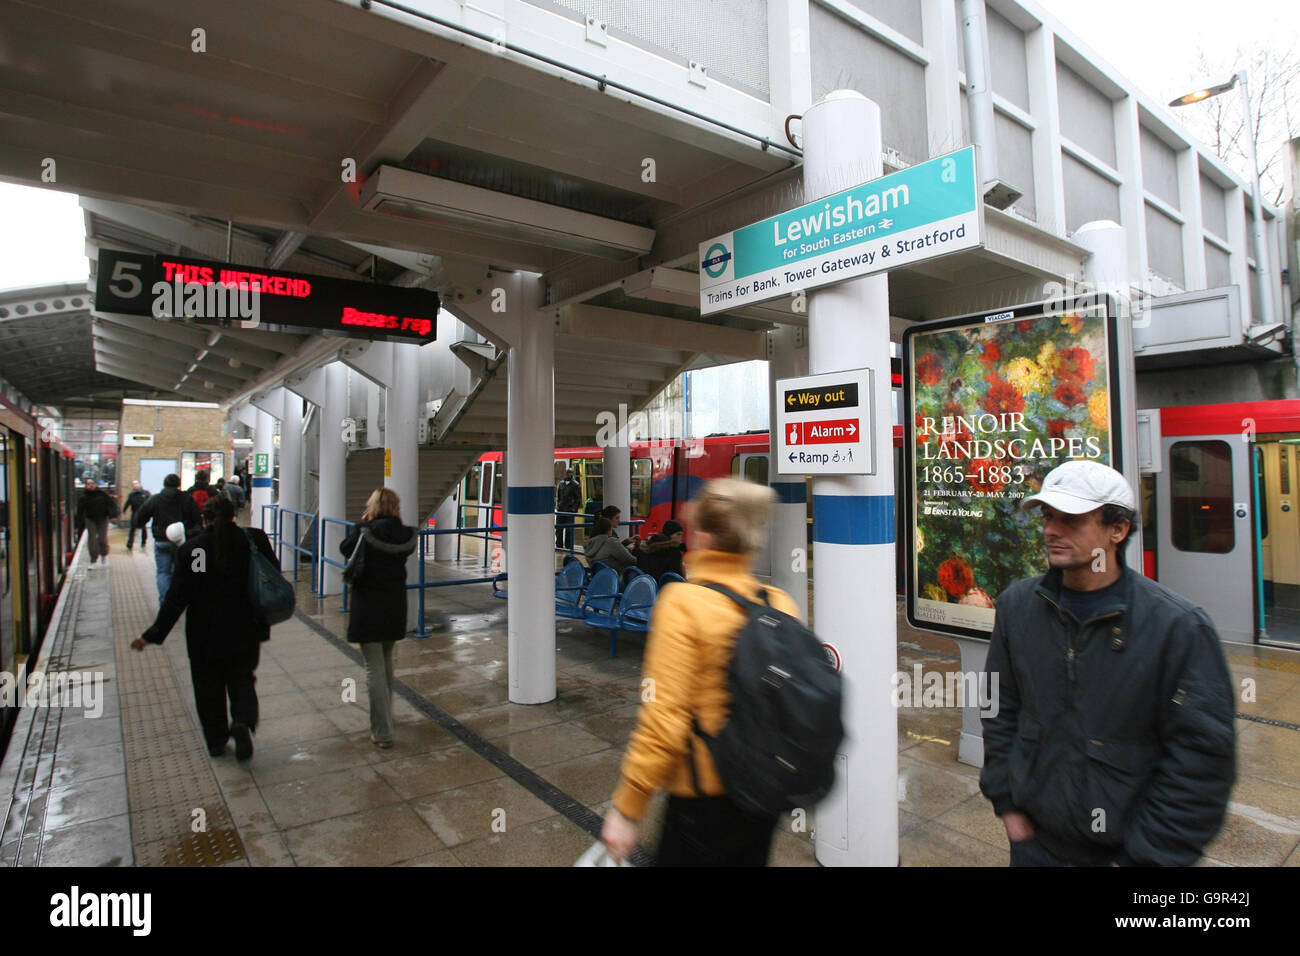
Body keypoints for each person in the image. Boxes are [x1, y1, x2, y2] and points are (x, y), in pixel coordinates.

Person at [980, 460, 1236, 867]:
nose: (1051, 529)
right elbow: (998, 709)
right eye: (1048, 516)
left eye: (1071, 519)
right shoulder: (1017, 606)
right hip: (1034, 844)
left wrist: (1145, 857)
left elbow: (1200, 761)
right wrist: (1008, 807)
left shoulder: (1177, 627)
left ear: (1117, 530)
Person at [602, 478, 799, 866]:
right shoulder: (779, 604)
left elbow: (664, 721)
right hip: (763, 796)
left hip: (703, 803)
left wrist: (628, 807)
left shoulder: (684, 603)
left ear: (704, 535)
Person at [130, 496, 276, 761]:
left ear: (204, 519)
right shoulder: (253, 540)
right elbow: (271, 574)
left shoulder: (194, 550)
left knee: (207, 688)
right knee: (242, 679)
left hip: (204, 634)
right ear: (234, 515)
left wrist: (153, 634)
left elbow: (178, 598)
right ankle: (242, 722)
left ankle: (216, 741)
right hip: (245, 629)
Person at [340, 488, 417, 749]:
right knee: (386, 664)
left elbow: (344, 549)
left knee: (374, 669)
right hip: (394, 605)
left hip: (368, 608)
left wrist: (363, 524)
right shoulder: (406, 534)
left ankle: (382, 732)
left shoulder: (364, 531)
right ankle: (386, 717)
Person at [136, 474, 202, 603]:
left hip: (162, 541)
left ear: (164, 484)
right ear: (178, 484)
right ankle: (181, 601)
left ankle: (165, 602)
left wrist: (139, 524)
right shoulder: (187, 499)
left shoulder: (155, 499)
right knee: (182, 572)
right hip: (182, 542)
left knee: (163, 573)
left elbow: (140, 517)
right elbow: (197, 521)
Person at [74, 478, 119, 567]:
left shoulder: (102, 495)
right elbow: (79, 511)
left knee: (102, 538)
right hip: (90, 519)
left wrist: (113, 516)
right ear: (86, 486)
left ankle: (104, 553)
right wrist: (77, 525)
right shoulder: (83, 497)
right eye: (88, 484)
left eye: (92, 483)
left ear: (95, 484)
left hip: (103, 518)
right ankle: (93, 559)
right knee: (92, 539)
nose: (91, 485)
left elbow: (111, 505)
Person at [555, 468, 582, 550]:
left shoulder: (575, 485)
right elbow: (559, 496)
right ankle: (559, 546)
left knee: (569, 530)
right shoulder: (561, 484)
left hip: (570, 511)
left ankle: (568, 546)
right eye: (567, 472)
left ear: (572, 474)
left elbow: (578, 499)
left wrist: (573, 509)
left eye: (570, 473)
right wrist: (558, 505)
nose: (568, 474)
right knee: (559, 529)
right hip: (561, 511)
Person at [123, 480, 150, 553]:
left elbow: (150, 502)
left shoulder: (145, 493)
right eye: (133, 484)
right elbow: (128, 502)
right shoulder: (131, 495)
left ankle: (143, 542)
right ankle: (130, 544)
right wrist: (124, 510)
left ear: (139, 484)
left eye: (136, 484)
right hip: (134, 512)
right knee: (132, 528)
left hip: (143, 513)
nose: (135, 485)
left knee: (143, 528)